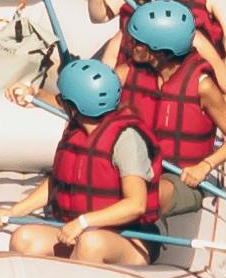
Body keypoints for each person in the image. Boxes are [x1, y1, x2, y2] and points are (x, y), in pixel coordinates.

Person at [12, 43, 163, 264]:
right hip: (78, 231)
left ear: (73, 106)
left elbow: (136, 204)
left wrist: (83, 222)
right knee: (23, 239)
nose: (60, 101)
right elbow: (58, 183)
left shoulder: (126, 139)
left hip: (128, 238)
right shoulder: (76, 130)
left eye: (63, 99)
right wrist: (15, 211)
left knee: (90, 243)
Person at [115, 0, 226, 225]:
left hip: (181, 179)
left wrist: (205, 166)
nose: (132, 45)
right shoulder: (127, 72)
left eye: (139, 43)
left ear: (160, 52)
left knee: (144, 193)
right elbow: (87, 102)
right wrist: (35, 94)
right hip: (139, 168)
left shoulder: (202, 86)